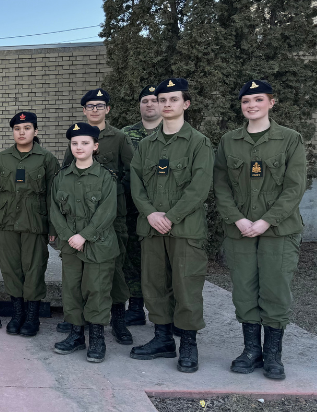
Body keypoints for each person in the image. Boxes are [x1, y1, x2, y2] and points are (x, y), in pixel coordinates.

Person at [213, 80, 306, 380]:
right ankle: (251, 350)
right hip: (239, 229)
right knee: (244, 290)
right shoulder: (229, 141)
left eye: (258, 99)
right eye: (245, 101)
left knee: (275, 290)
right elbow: (221, 184)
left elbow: (294, 187)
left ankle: (273, 355)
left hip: (278, 231)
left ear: (271, 102)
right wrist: (237, 218)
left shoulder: (290, 139)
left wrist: (267, 220)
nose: (251, 105)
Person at [128, 78, 213, 373]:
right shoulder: (147, 144)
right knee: (154, 286)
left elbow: (199, 187)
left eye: (172, 99)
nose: (166, 104)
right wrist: (151, 214)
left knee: (186, 286)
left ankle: (188, 344)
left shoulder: (198, 142)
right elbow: (136, 183)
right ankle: (163, 339)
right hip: (151, 228)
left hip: (185, 230)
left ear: (185, 104)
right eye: (162, 99)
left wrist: (170, 216)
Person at [57, 88, 134, 346]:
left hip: (111, 219)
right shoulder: (66, 173)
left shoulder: (120, 138)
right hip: (75, 226)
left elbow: (130, 173)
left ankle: (116, 322)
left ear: (107, 109)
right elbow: (61, 193)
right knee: (75, 285)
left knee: (111, 276)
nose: (95, 109)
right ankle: (78, 331)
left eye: (100, 105)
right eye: (90, 105)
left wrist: (88, 232)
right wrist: (70, 235)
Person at [50, 122, 120, 362]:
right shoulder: (62, 177)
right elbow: (55, 211)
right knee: (71, 291)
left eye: (85, 143)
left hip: (98, 245)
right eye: (75, 143)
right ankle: (76, 335)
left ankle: (97, 339)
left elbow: (107, 211)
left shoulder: (105, 177)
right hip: (70, 246)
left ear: (95, 146)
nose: (79, 147)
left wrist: (84, 235)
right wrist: (69, 235)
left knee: (97, 291)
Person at [0, 111, 60, 337]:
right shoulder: (2, 158)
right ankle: (17, 315)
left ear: (35, 132)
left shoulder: (47, 159)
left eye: (27, 128)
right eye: (18, 129)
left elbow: (53, 196)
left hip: (34, 223)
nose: (22, 132)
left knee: (34, 269)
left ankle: (32, 317)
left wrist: (53, 228)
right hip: (6, 223)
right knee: (11, 270)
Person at [121, 84, 162, 326]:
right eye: (145, 100)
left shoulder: (171, 134)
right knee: (132, 259)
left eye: (154, 100)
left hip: (162, 210)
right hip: (131, 209)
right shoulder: (125, 134)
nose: (149, 104)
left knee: (162, 264)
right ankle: (135, 306)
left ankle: (166, 311)